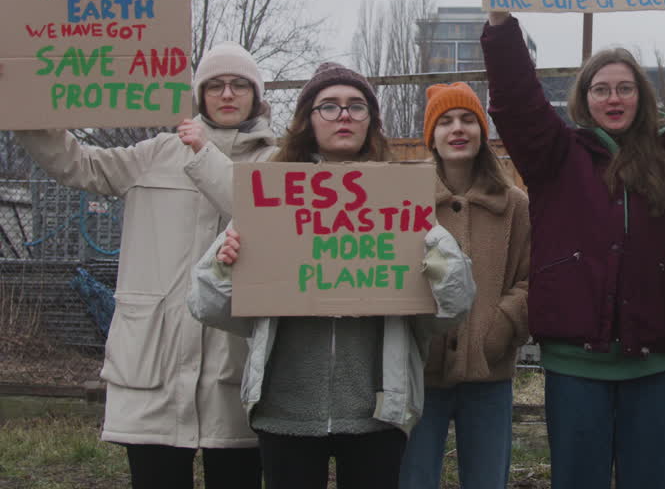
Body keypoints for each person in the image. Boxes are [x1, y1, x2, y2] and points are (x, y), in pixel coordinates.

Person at [469, 0, 665, 489]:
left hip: (656, 361)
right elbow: (517, 99)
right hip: (575, 363)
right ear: (584, 99)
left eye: (625, 87)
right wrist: (501, 20)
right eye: (601, 89)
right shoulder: (555, 156)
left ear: (641, 97)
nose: (613, 97)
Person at [187, 62, 476, 489]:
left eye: (356, 106)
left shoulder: (402, 203)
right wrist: (224, 266)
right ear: (308, 119)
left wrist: (443, 262)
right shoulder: (269, 199)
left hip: (377, 411)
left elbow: (449, 312)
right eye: (330, 106)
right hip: (283, 409)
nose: (344, 115)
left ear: (371, 122)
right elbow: (206, 304)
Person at [12, 41, 272, 489]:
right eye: (215, 85)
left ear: (256, 95)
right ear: (199, 94)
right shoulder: (157, 153)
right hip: (156, 360)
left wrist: (205, 152)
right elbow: (80, 165)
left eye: (239, 85)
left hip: (233, 366)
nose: (227, 94)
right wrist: (24, 106)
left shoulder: (276, 160)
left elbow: (260, 213)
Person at [399, 82, 530, 489]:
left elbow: (529, 280)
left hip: (489, 374)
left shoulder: (514, 204)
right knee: (413, 478)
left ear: (482, 131)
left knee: (488, 479)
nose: (458, 129)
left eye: (468, 119)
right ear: (432, 138)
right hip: (420, 374)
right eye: (446, 121)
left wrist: (499, 329)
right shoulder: (404, 199)